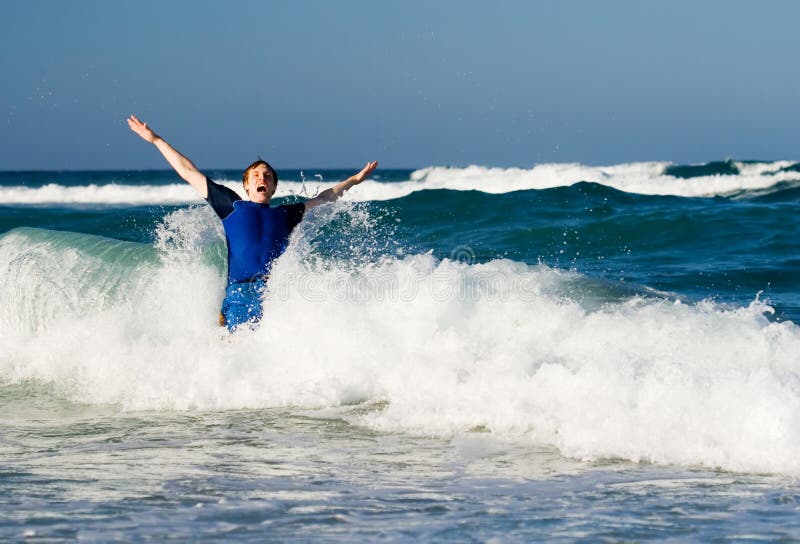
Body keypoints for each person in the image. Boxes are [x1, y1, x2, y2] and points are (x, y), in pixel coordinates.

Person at [127, 114, 378, 331]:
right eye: (256, 175)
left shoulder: (288, 213)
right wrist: (156, 140)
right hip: (239, 295)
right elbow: (189, 172)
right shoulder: (231, 206)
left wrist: (354, 180)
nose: (262, 178)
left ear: (273, 187)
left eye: (267, 176)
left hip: (276, 297)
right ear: (246, 185)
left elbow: (325, 198)